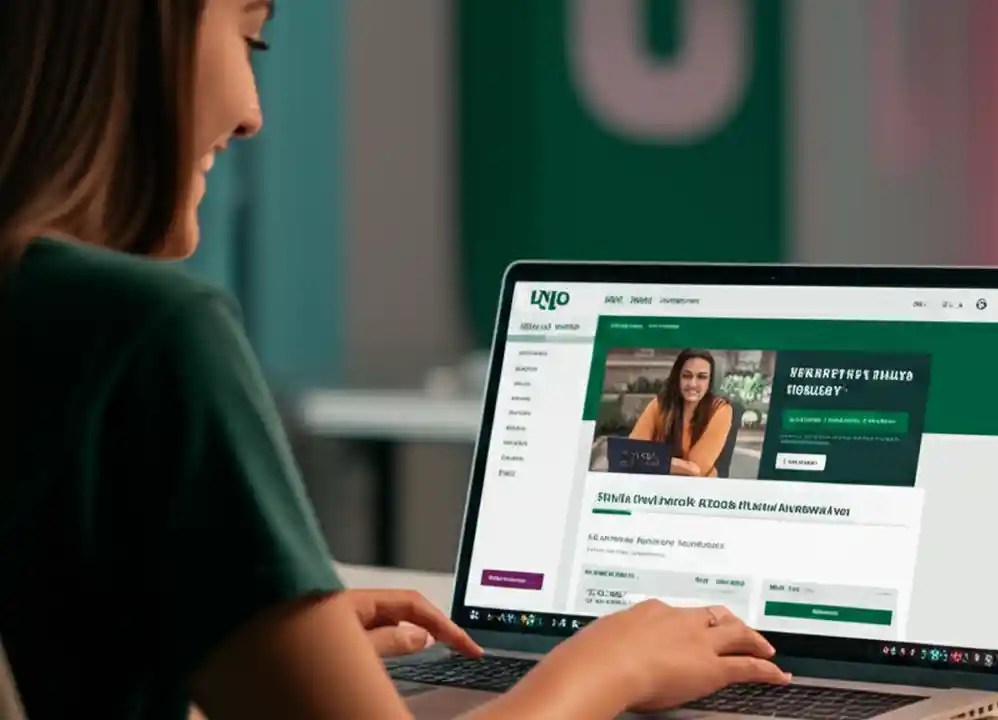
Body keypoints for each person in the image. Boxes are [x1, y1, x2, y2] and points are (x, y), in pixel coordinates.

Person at [0, 2, 788, 719]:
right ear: (131, 41)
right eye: (249, 37)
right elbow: (627, 453)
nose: (251, 114)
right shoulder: (148, 334)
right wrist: (608, 668)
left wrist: (254, 635)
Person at [629, 349, 734, 477]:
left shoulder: (720, 409)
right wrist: (682, 466)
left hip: (697, 491)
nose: (692, 384)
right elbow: (631, 452)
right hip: (656, 485)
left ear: (709, 381)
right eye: (686, 376)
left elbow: (697, 469)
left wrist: (651, 460)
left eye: (701, 377)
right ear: (677, 377)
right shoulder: (660, 404)